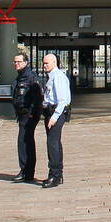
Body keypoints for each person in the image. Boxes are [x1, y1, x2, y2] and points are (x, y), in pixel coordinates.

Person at [12, 52, 43, 183]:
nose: (16, 64)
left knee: (24, 142)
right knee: (25, 142)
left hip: (28, 115)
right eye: (14, 62)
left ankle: (26, 171)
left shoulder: (30, 77)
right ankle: (27, 172)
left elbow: (37, 97)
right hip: (22, 114)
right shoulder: (20, 77)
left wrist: (31, 112)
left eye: (19, 62)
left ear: (25, 63)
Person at [40, 54, 70, 187]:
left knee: (52, 144)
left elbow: (62, 100)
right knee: (55, 143)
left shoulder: (57, 76)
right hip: (50, 111)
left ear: (54, 62)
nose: (44, 66)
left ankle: (55, 175)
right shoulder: (52, 76)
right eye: (43, 63)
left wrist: (54, 117)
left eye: (47, 63)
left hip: (55, 112)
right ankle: (57, 174)